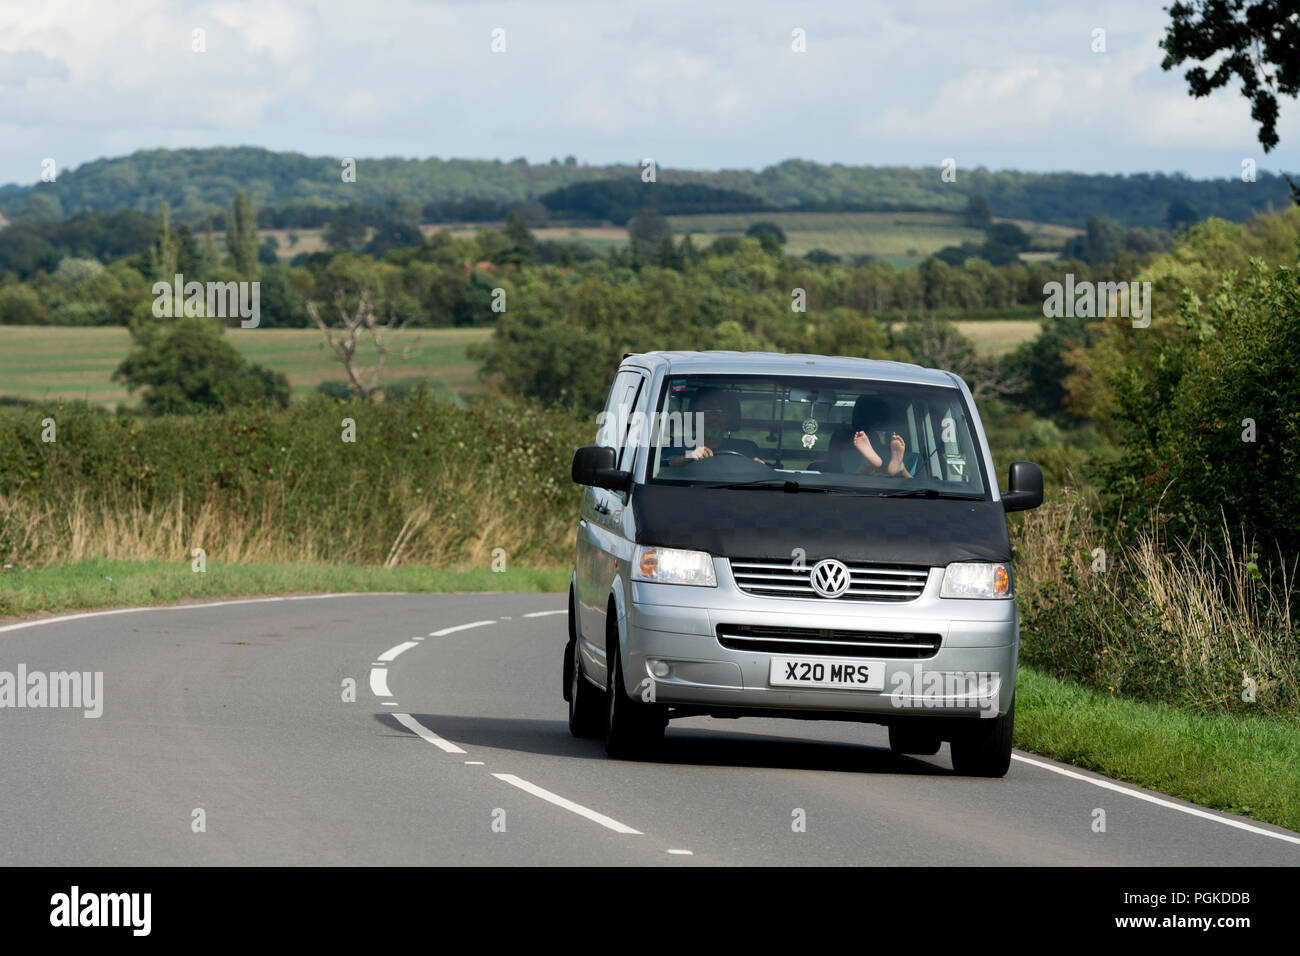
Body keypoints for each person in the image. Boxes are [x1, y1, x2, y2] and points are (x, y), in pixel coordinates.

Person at [666, 386, 766, 467]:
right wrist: (688, 458)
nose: (714, 417)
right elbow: (666, 464)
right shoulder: (679, 445)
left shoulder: (746, 449)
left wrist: (758, 466)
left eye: (720, 412)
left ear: (728, 418)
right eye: (707, 411)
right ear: (693, 417)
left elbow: (761, 475)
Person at [848, 395, 914, 478]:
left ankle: (866, 465)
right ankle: (901, 468)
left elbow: (833, 468)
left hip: (852, 488)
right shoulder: (913, 451)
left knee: (852, 479)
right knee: (913, 481)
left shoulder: (841, 439)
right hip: (907, 490)